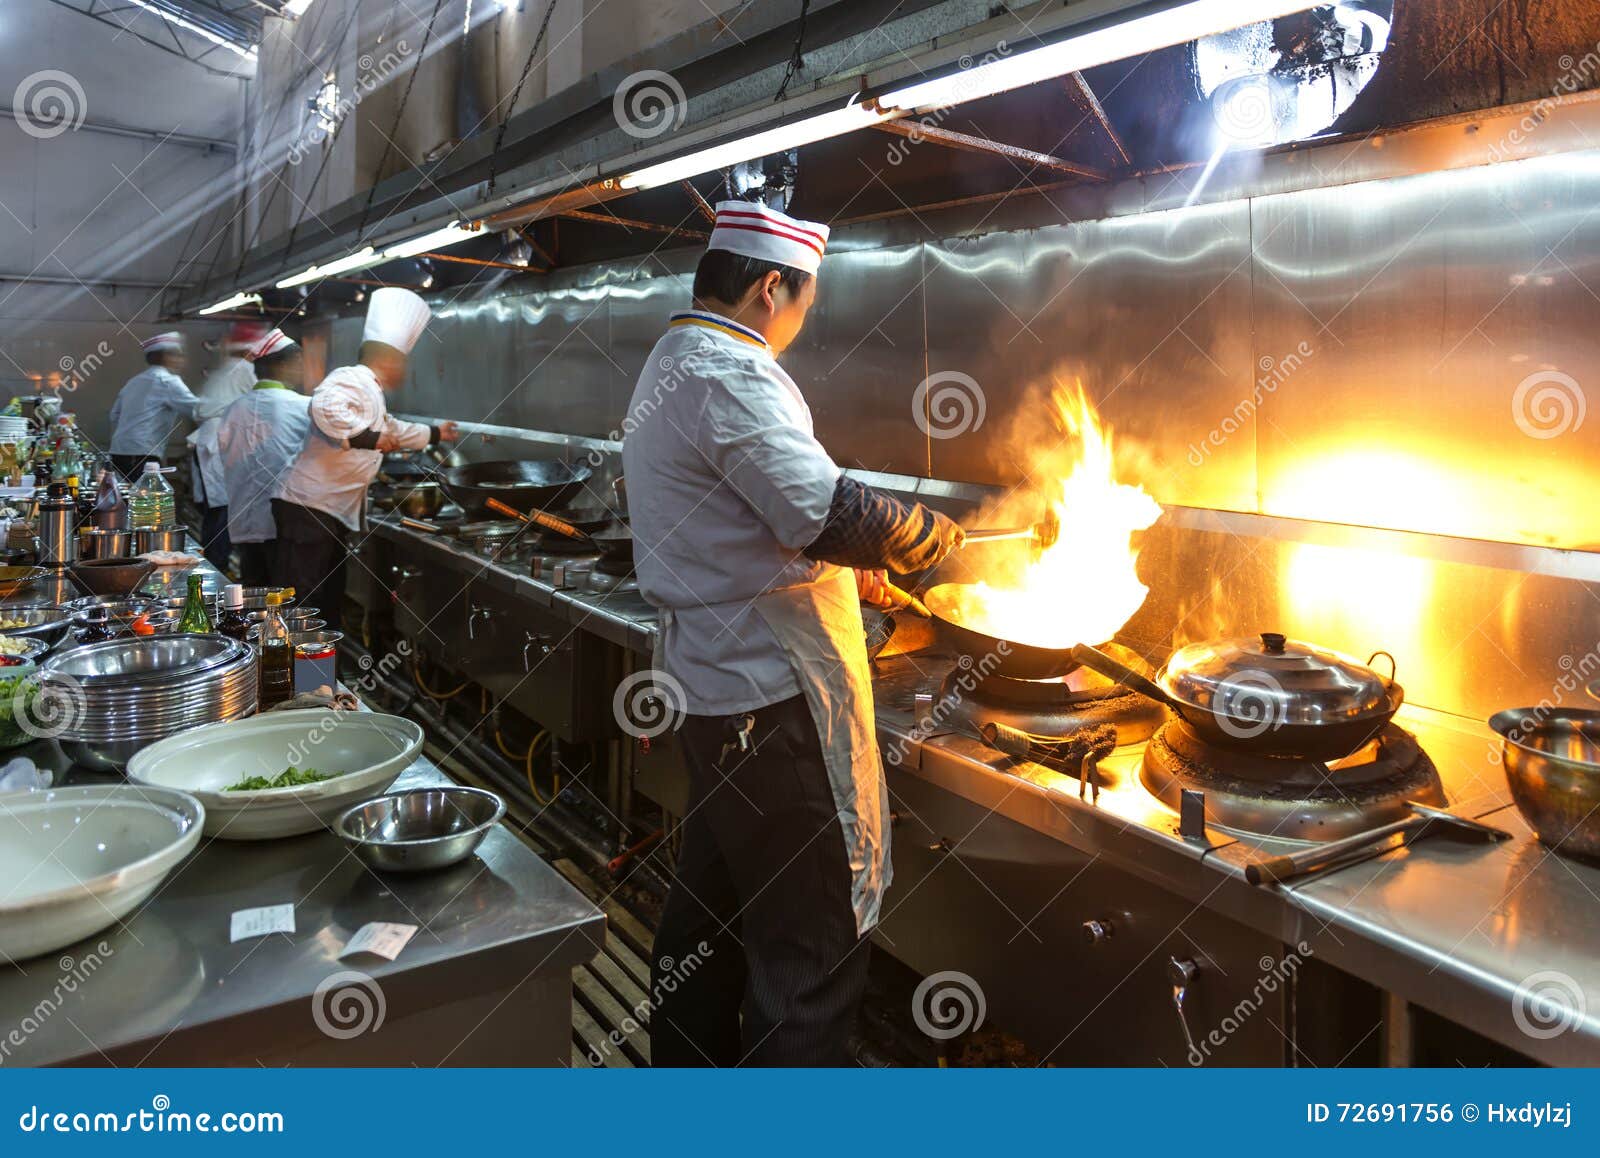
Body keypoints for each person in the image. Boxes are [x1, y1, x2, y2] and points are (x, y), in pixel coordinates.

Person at [622, 200, 965, 1067]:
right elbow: (826, 509)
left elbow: (758, 518)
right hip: (773, 712)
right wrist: (927, 539)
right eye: (805, 302)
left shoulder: (674, 356)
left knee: (711, 923)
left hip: (716, 697)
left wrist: (852, 566)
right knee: (809, 958)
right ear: (770, 286)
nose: (802, 322)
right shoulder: (729, 371)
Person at [273, 288, 458, 629]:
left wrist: (435, 433)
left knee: (326, 600)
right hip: (309, 507)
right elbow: (325, 407)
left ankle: (321, 678)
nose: (405, 369)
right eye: (402, 360)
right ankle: (293, 678)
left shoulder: (371, 392)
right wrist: (370, 438)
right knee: (303, 602)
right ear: (388, 359)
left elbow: (392, 429)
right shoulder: (349, 378)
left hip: (328, 510)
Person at [216, 329, 310, 587]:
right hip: (282, 525)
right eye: (299, 363)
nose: (302, 370)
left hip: (244, 522)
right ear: (282, 365)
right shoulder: (302, 406)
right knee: (284, 597)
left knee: (254, 592)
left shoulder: (233, 409)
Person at [189, 322, 267, 571]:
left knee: (216, 509)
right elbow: (263, 402)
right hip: (217, 445)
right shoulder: (243, 369)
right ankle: (217, 565)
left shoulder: (225, 369)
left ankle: (211, 563)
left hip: (209, 442)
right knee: (224, 508)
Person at [108, 332, 198, 481]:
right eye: (176, 355)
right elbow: (197, 409)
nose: (181, 360)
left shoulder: (133, 382)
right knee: (149, 501)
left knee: (129, 498)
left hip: (119, 452)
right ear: (163, 357)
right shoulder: (168, 381)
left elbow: (114, 415)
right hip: (142, 454)